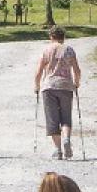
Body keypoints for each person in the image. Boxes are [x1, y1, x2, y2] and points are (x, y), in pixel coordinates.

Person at [34, 26, 82, 160]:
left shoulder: (46, 50)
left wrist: (36, 86)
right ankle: (66, 139)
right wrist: (76, 83)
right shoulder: (69, 50)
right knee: (66, 117)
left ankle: (58, 150)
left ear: (51, 37)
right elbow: (77, 70)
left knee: (52, 119)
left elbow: (38, 72)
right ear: (63, 37)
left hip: (49, 87)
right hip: (65, 86)